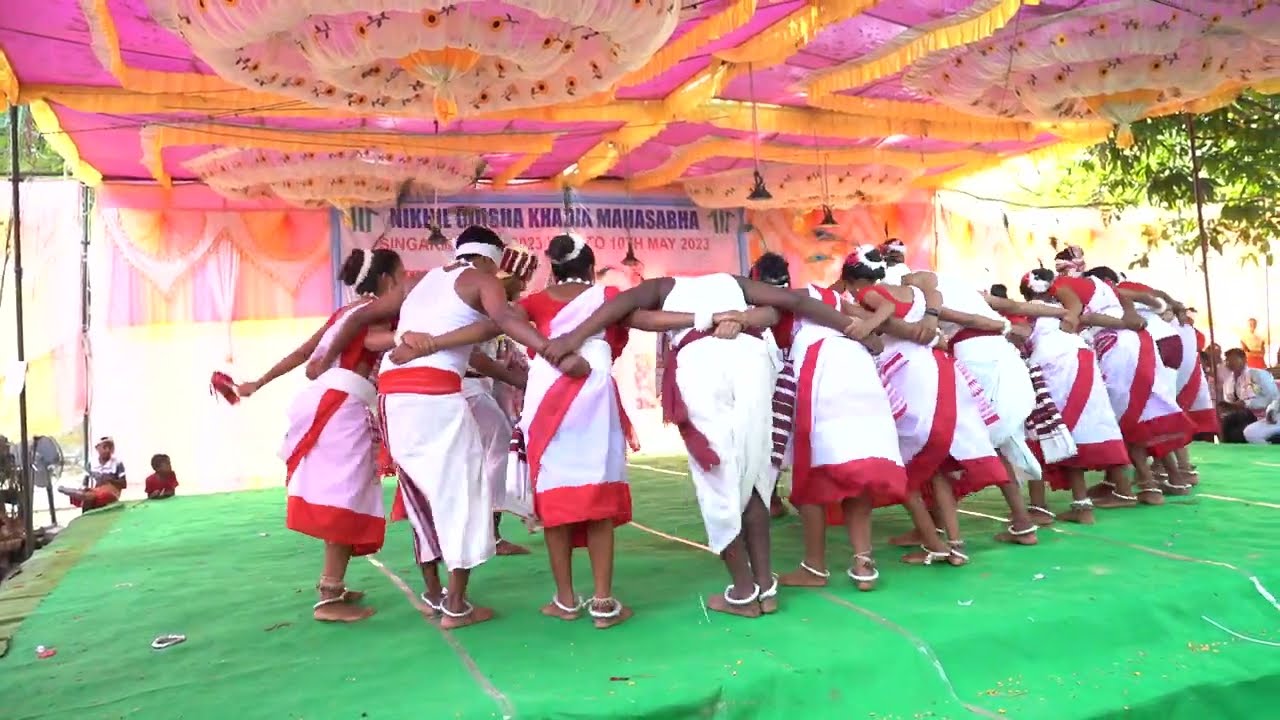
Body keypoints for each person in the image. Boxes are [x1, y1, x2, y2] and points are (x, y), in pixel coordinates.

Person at [542, 267, 871, 618]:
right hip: (752, 361)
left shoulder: (663, 286)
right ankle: (765, 588)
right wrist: (856, 330)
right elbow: (792, 301)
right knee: (754, 478)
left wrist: (571, 339)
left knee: (718, 477)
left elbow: (624, 310)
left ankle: (743, 592)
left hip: (701, 362)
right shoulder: (735, 285)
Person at [320, 226, 582, 630]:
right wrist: (551, 351)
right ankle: (457, 606)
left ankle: (434, 593)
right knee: (462, 494)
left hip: (393, 395)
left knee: (421, 495)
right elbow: (501, 321)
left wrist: (509, 372)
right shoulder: (481, 280)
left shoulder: (423, 283)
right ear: (493, 258)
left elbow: (476, 344)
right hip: (433, 396)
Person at [508, 233, 711, 628]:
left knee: (554, 500)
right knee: (598, 494)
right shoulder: (607, 297)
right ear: (589, 266)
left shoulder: (533, 304)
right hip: (593, 397)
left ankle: (565, 600)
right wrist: (702, 319)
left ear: (554, 267)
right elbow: (646, 320)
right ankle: (603, 601)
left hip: (546, 396)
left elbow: (505, 320)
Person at [237, 247, 406, 622]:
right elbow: (375, 343)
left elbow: (303, 353)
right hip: (341, 406)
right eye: (402, 275)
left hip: (327, 400)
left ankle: (335, 586)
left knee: (345, 491)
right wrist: (412, 336)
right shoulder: (373, 313)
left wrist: (258, 382)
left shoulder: (345, 313)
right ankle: (329, 596)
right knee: (344, 494)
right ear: (387, 281)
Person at [837, 247, 1010, 566]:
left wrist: (868, 324)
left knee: (905, 464)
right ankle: (953, 545)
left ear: (853, 280)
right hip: (938, 366)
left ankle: (934, 543)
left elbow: (885, 306)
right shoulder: (915, 290)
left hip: (911, 375)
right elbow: (935, 293)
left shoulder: (871, 293)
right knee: (937, 468)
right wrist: (930, 319)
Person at [746, 253, 907, 593]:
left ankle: (815, 567)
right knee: (858, 469)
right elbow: (879, 319)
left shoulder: (778, 304)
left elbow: (758, 317)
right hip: (860, 376)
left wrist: (727, 317)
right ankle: (864, 564)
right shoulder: (829, 296)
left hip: (822, 378)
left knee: (811, 476)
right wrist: (869, 328)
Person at [900, 268, 1047, 542]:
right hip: (1000, 355)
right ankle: (1022, 523)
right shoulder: (957, 282)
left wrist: (1002, 326)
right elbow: (1012, 308)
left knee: (953, 443)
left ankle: (938, 530)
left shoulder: (914, 284)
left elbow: (957, 317)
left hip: (976, 358)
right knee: (996, 441)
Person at [1047, 268, 1192, 505]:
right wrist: (1130, 317)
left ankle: (1147, 486)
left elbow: (1082, 317)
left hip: (1117, 344)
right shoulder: (1100, 286)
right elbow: (1125, 298)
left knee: (1125, 416)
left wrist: (1122, 322)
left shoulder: (1062, 286)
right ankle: (1174, 479)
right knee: (1149, 412)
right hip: (1140, 343)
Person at [1014, 270, 1133, 522]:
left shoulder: (1030, 311)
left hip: (1053, 369)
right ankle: (1083, 506)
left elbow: (1023, 339)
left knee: (1045, 432)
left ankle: (1039, 508)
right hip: (1083, 364)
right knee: (1073, 433)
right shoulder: (1068, 311)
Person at [466, 245, 540, 556]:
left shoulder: (496, 308)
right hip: (465, 387)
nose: (524, 287)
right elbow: (475, 358)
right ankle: (488, 535)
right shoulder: (480, 305)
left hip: (481, 388)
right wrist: (519, 379)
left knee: (491, 455)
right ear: (505, 275)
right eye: (521, 279)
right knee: (500, 449)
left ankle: (487, 533)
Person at [1219, 348, 1279, 443]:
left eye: (1233, 359)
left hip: (1263, 413)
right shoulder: (1228, 381)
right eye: (1227, 360)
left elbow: (1272, 396)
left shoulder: (1257, 374)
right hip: (1242, 413)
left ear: (1244, 359)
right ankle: (1228, 451)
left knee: (1233, 419)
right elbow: (1229, 401)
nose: (1230, 363)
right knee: (1227, 418)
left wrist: (1246, 404)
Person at [58, 437, 125, 511]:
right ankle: (80, 496)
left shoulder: (117, 463)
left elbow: (124, 484)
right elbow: (86, 478)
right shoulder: (92, 463)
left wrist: (110, 480)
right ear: (97, 448)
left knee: (90, 496)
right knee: (88, 496)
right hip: (96, 490)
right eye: (105, 447)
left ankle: (71, 492)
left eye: (110, 447)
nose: (108, 450)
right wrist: (84, 487)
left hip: (112, 492)